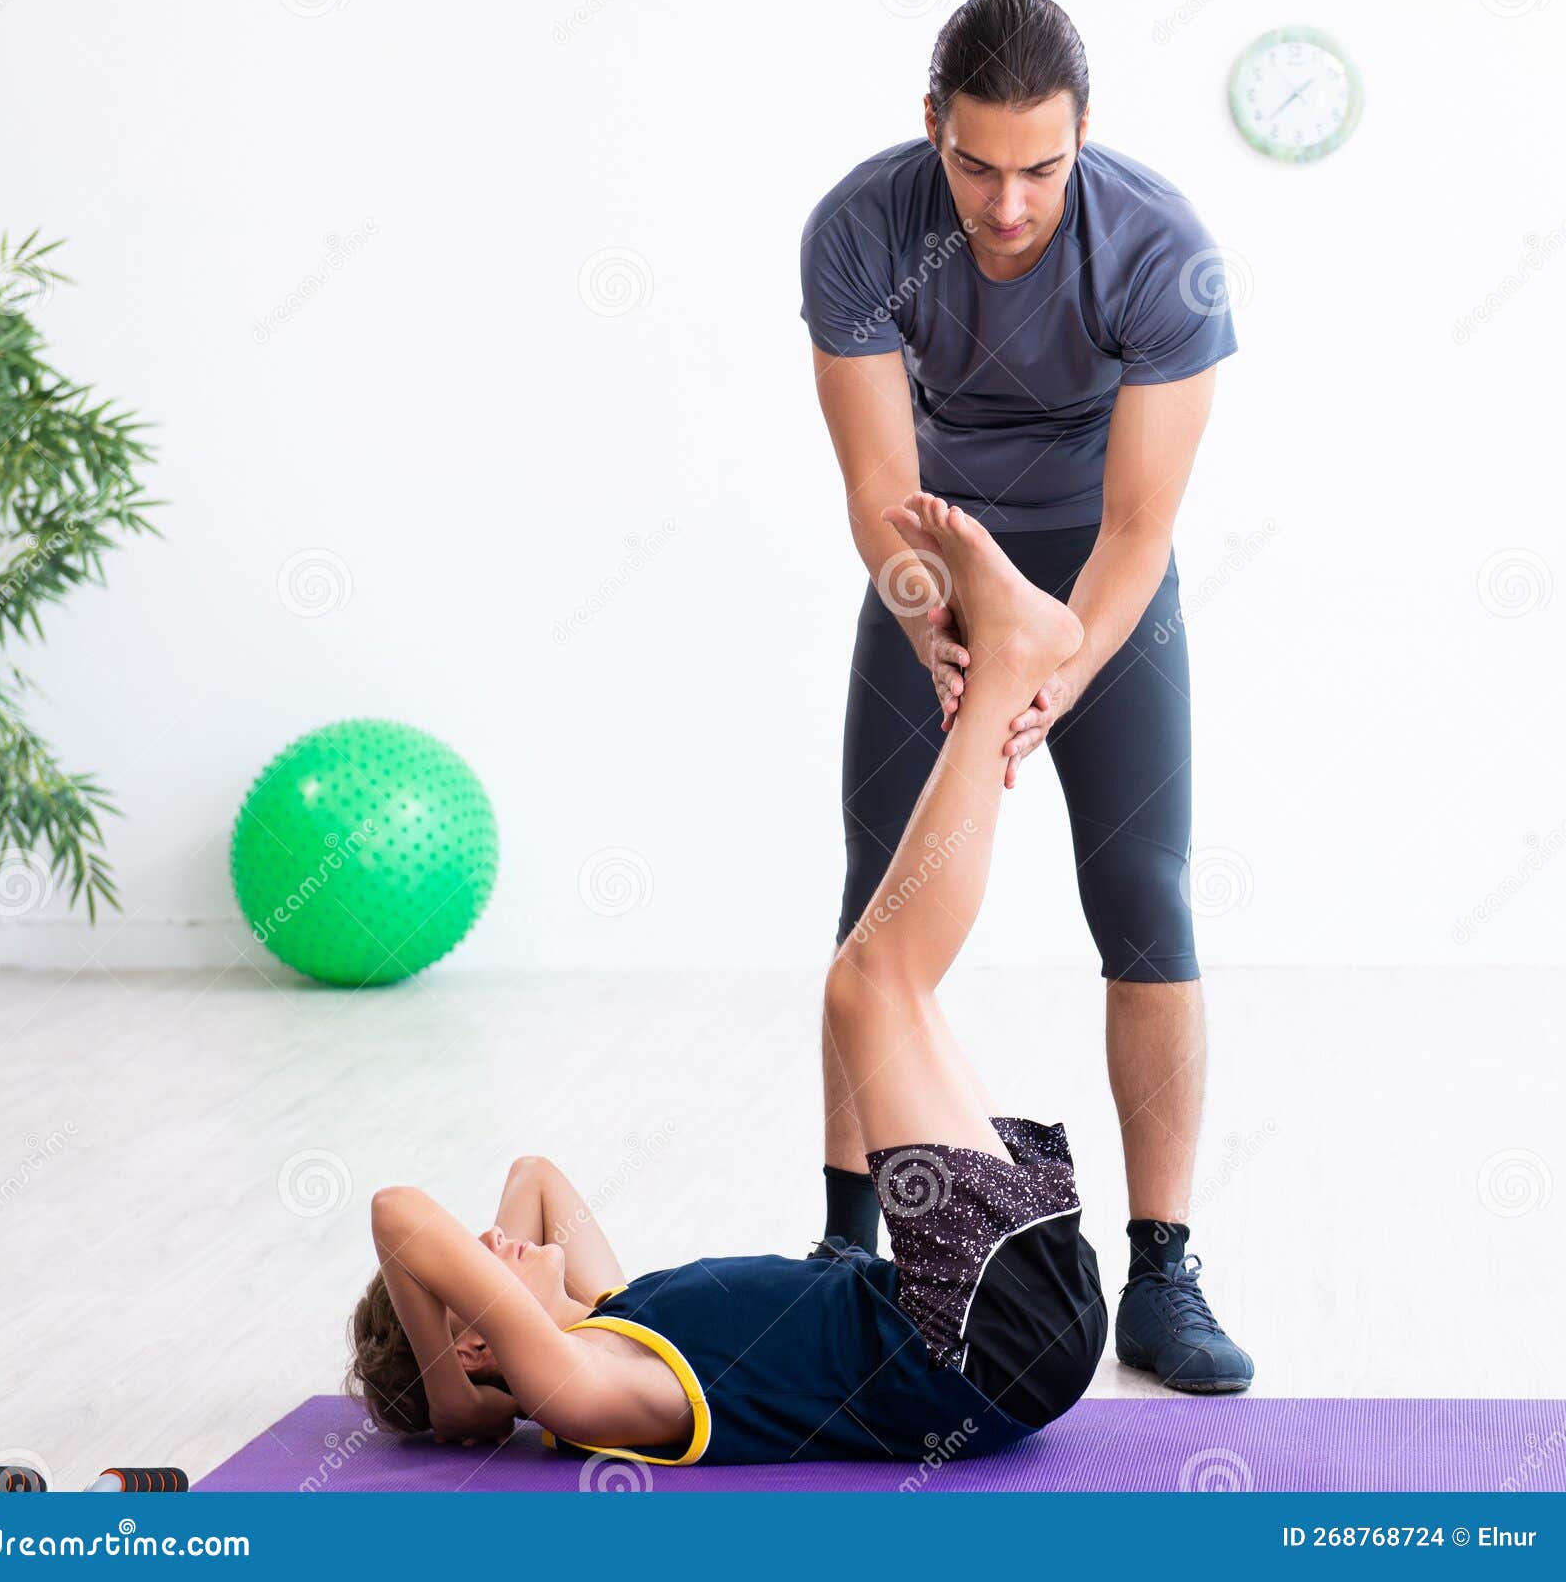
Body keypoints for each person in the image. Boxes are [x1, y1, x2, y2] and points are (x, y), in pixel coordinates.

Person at [349, 496, 1107, 1466]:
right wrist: (454, 1393)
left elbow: (533, 1175)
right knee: (868, 988)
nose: (491, 1241)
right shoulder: (589, 1387)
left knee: (879, 990)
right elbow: (396, 1209)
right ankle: (1005, 666)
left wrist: (505, 1289)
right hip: (980, 1344)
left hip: (995, 1317)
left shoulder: (610, 1314)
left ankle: (1009, 658)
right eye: (476, 1264)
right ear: (472, 1342)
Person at [800, 0, 1252, 1391]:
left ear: (1085, 133)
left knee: (1146, 897)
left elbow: (1138, 526)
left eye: (1041, 169)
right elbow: (879, 486)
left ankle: (1162, 1270)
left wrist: (1053, 668)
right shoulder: (860, 227)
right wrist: (937, 625)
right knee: (876, 898)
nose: (1007, 206)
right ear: (931, 127)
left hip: (1096, 577)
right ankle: (847, 1248)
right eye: (977, 166)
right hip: (933, 565)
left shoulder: (1161, 249)